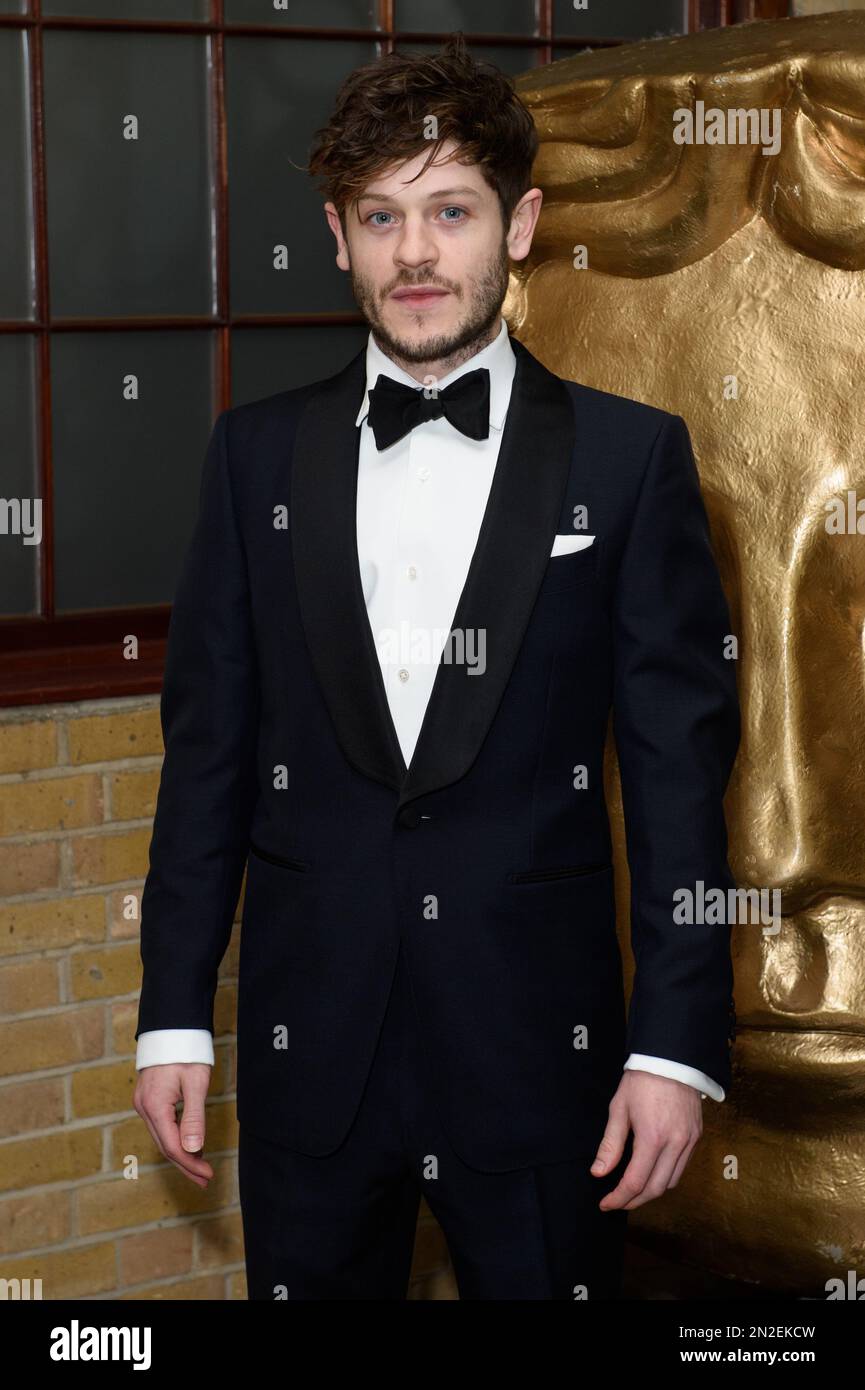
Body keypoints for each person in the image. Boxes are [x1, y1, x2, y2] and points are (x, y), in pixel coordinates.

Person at [133, 35, 740, 1301]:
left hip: (540, 1058)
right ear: (341, 237)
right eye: (382, 217)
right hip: (316, 1059)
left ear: (516, 227)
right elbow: (207, 762)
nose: (415, 253)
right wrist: (175, 1012)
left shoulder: (629, 464)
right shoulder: (252, 464)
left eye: (449, 212)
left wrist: (675, 1049)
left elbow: (680, 781)